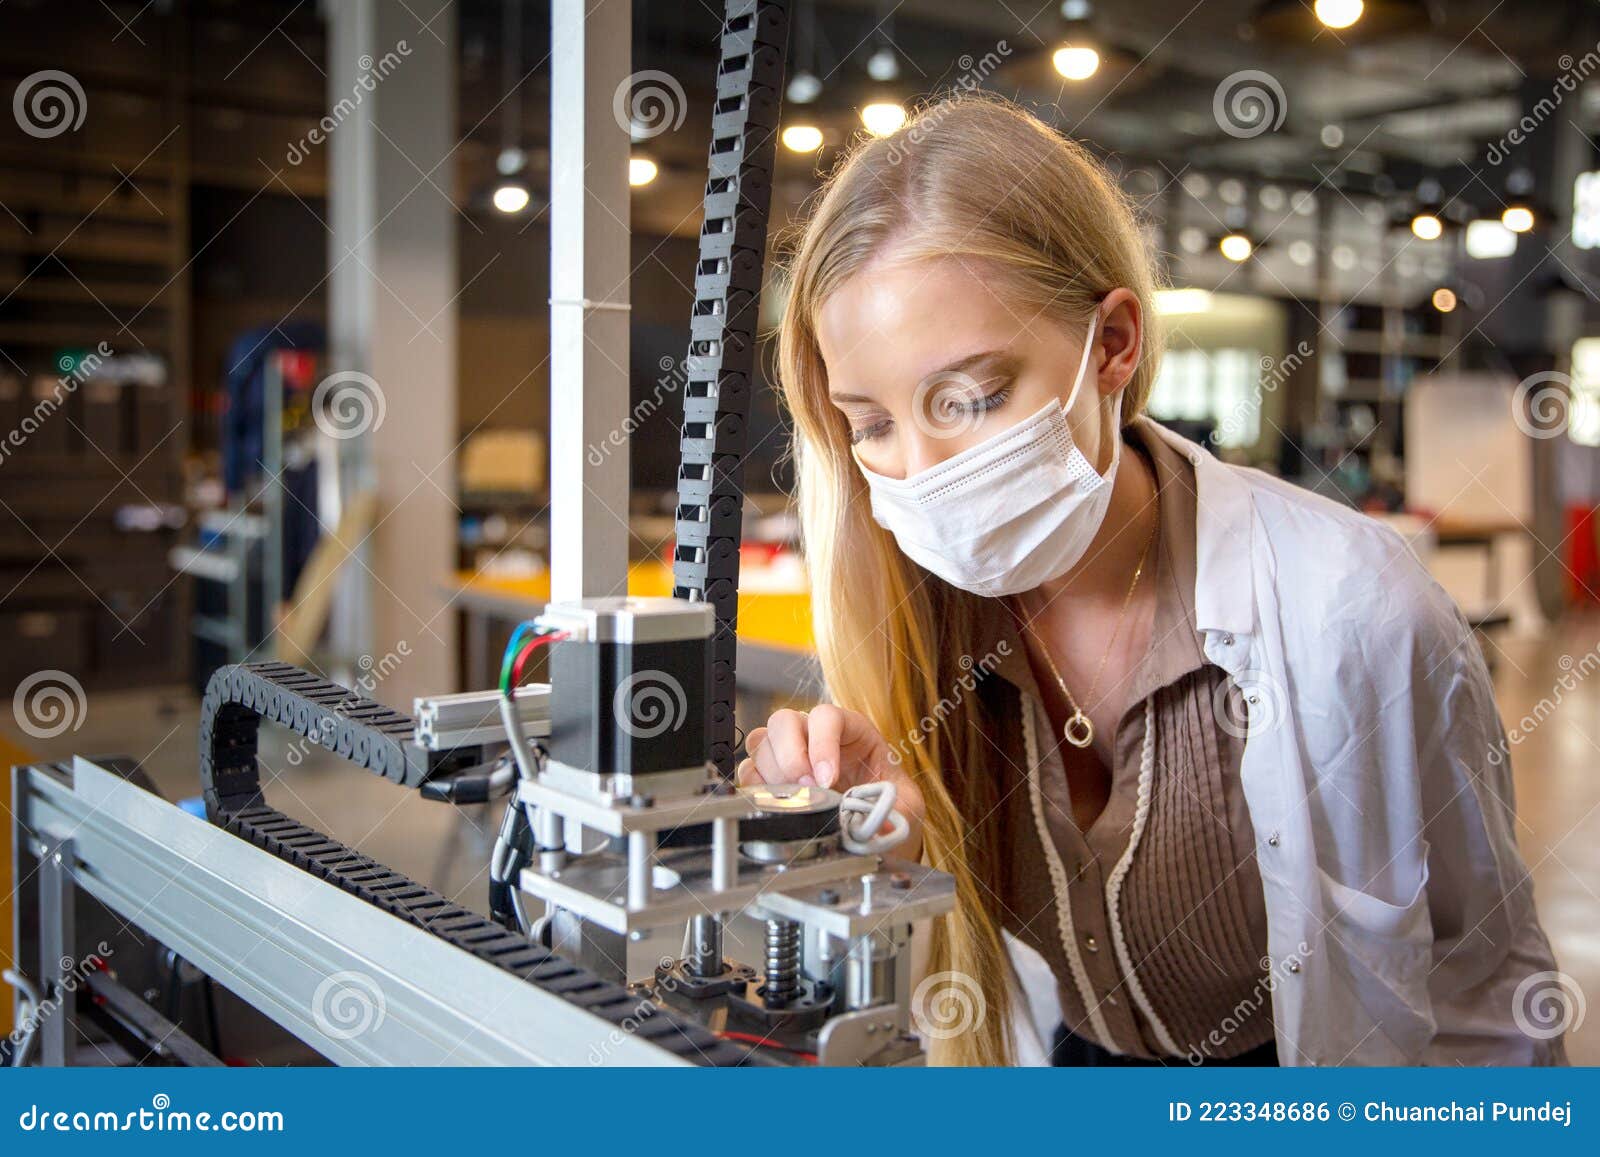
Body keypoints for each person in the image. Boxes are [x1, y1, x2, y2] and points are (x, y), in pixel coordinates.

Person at [737, 95, 1565, 1067]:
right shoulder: (914, 626)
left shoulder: (1354, 606)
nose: (920, 471)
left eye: (971, 397)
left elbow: (1486, 996)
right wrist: (878, 862)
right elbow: (932, 1006)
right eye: (872, 423)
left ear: (1114, 344)